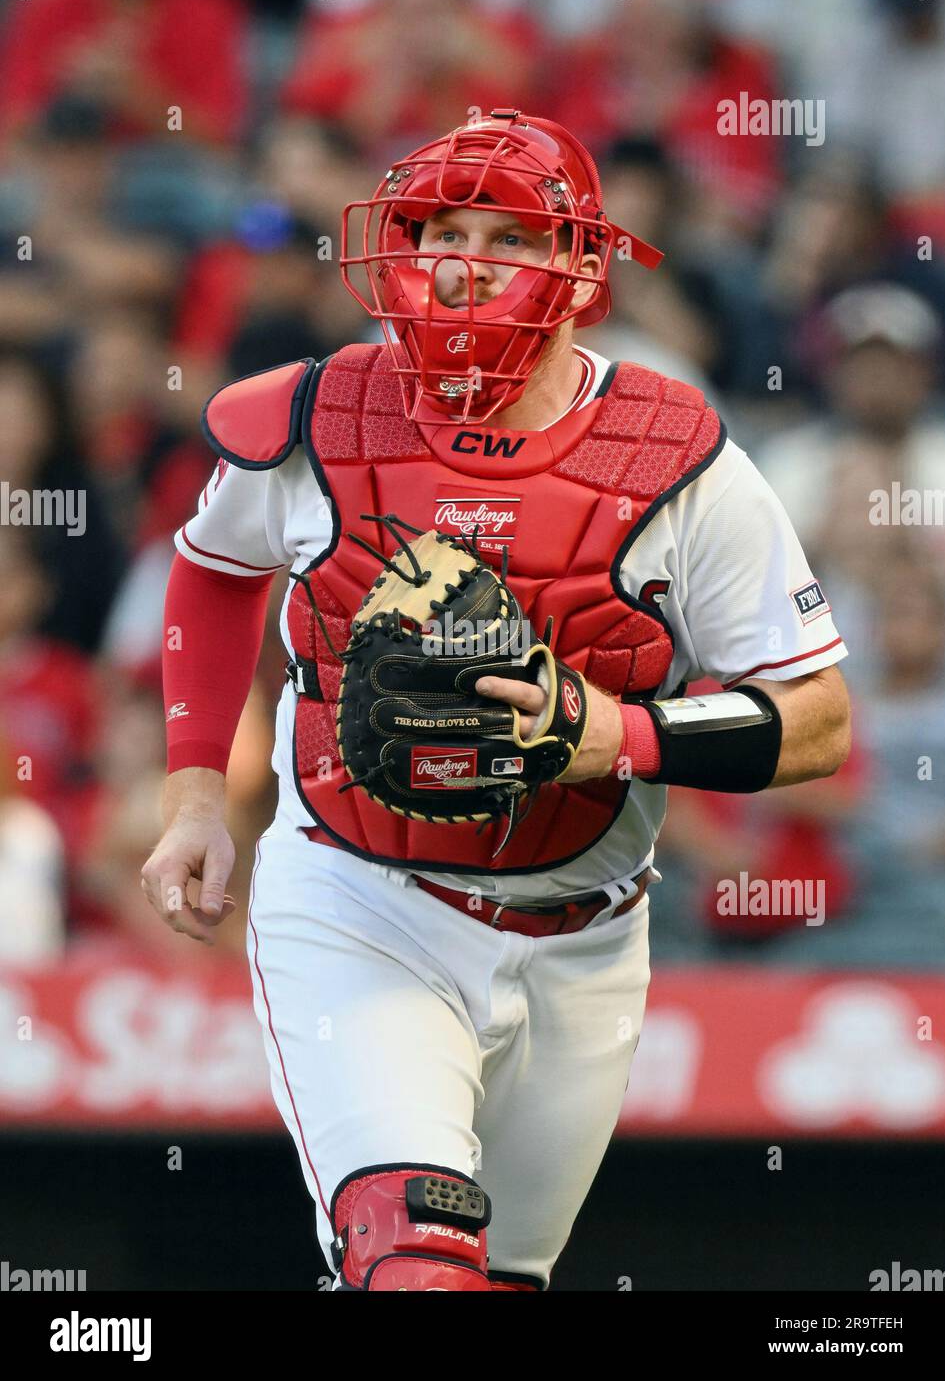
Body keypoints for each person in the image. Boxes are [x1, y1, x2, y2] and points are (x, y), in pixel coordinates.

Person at [141, 110, 851, 1291]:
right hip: (358, 899)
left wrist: (607, 736)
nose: (460, 261)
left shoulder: (675, 458)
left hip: (587, 929)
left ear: (579, 270)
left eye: (503, 235)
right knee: (415, 1261)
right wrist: (193, 795)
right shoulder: (315, 416)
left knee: (495, 1282)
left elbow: (816, 718)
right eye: (436, 230)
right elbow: (211, 569)